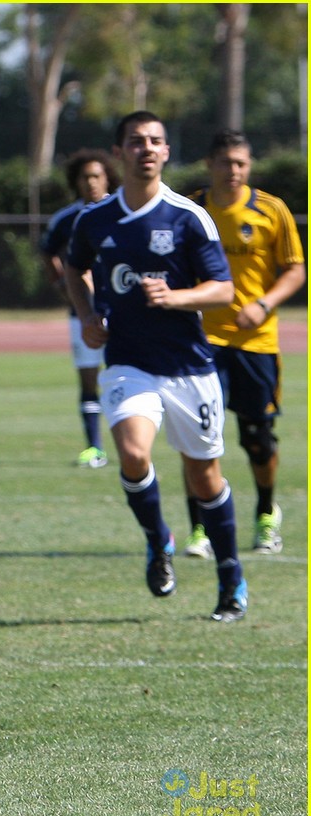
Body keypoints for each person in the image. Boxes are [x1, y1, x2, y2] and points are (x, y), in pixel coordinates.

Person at [63, 111, 247, 622]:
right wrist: (87, 315)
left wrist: (176, 297)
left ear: (166, 152)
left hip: (190, 368)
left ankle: (230, 577)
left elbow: (223, 290)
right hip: (129, 363)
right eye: (136, 141)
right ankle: (158, 540)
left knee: (204, 477)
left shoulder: (189, 217)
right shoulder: (95, 219)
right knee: (132, 453)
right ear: (118, 153)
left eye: (155, 141)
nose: (146, 148)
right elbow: (74, 268)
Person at [179, 130, 305, 559]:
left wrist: (264, 303)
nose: (233, 171)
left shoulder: (271, 209)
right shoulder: (191, 209)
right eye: (225, 163)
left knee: (258, 438)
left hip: (256, 342)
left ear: (249, 166)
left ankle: (266, 514)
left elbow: (295, 269)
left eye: (241, 163)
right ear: (209, 165)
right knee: (198, 437)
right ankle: (200, 529)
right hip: (201, 341)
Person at [39, 149, 121, 469]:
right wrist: (62, 284)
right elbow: (47, 251)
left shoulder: (124, 211)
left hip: (122, 311)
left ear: (107, 178)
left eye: (96, 176)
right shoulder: (67, 219)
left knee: (125, 377)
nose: (91, 183)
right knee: (89, 380)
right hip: (83, 313)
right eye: (84, 177)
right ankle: (94, 448)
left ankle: (131, 447)